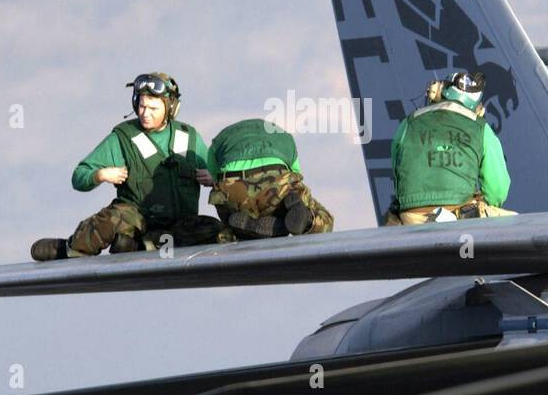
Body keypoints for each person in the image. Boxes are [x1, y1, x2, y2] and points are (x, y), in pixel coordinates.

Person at [30, 73, 221, 260]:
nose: (144, 113)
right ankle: (70, 249)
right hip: (137, 220)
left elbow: (219, 175)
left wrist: (214, 179)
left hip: (178, 225)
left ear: (171, 109)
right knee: (110, 221)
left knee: (213, 230)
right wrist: (100, 175)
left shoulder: (188, 137)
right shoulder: (123, 137)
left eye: (153, 108)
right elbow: (79, 177)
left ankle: (140, 246)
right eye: (141, 106)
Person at [384, 71, 514, 225]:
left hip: (412, 217)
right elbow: (498, 190)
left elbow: (397, 171)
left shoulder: (407, 124)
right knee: (516, 224)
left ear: (439, 91)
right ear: (476, 106)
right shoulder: (481, 128)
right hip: (460, 217)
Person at [205, 118, 334, 240]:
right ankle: (306, 220)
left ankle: (242, 231)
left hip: (233, 189)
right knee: (325, 220)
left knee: (230, 220)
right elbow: (295, 173)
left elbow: (215, 178)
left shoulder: (219, 139)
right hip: (276, 183)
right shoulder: (285, 137)